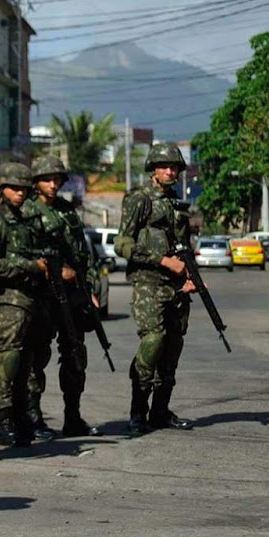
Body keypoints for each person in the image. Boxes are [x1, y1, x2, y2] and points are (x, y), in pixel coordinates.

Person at [115, 142, 197, 437]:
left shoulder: (175, 202)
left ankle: (160, 411)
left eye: (174, 166)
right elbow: (122, 243)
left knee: (173, 348)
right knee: (153, 343)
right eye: (164, 166)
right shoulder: (140, 199)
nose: (170, 170)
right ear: (152, 169)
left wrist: (189, 275)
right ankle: (138, 413)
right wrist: (162, 261)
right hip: (148, 283)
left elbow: (183, 247)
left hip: (176, 287)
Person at [26, 156, 102, 438]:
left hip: (71, 295)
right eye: (47, 179)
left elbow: (82, 254)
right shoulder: (27, 211)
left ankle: (73, 416)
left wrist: (88, 289)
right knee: (37, 356)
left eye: (57, 179)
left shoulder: (66, 210)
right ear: (36, 182)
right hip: (43, 295)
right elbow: (26, 256)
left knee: (74, 354)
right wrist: (56, 271)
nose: (53, 184)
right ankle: (34, 418)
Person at [0, 162, 52, 448]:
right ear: (1, 189)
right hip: (9, 302)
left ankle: (22, 417)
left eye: (24, 188)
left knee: (27, 364)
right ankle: (4, 419)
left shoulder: (23, 219)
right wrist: (32, 266)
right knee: (7, 363)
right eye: (14, 188)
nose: (20, 193)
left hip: (30, 300)